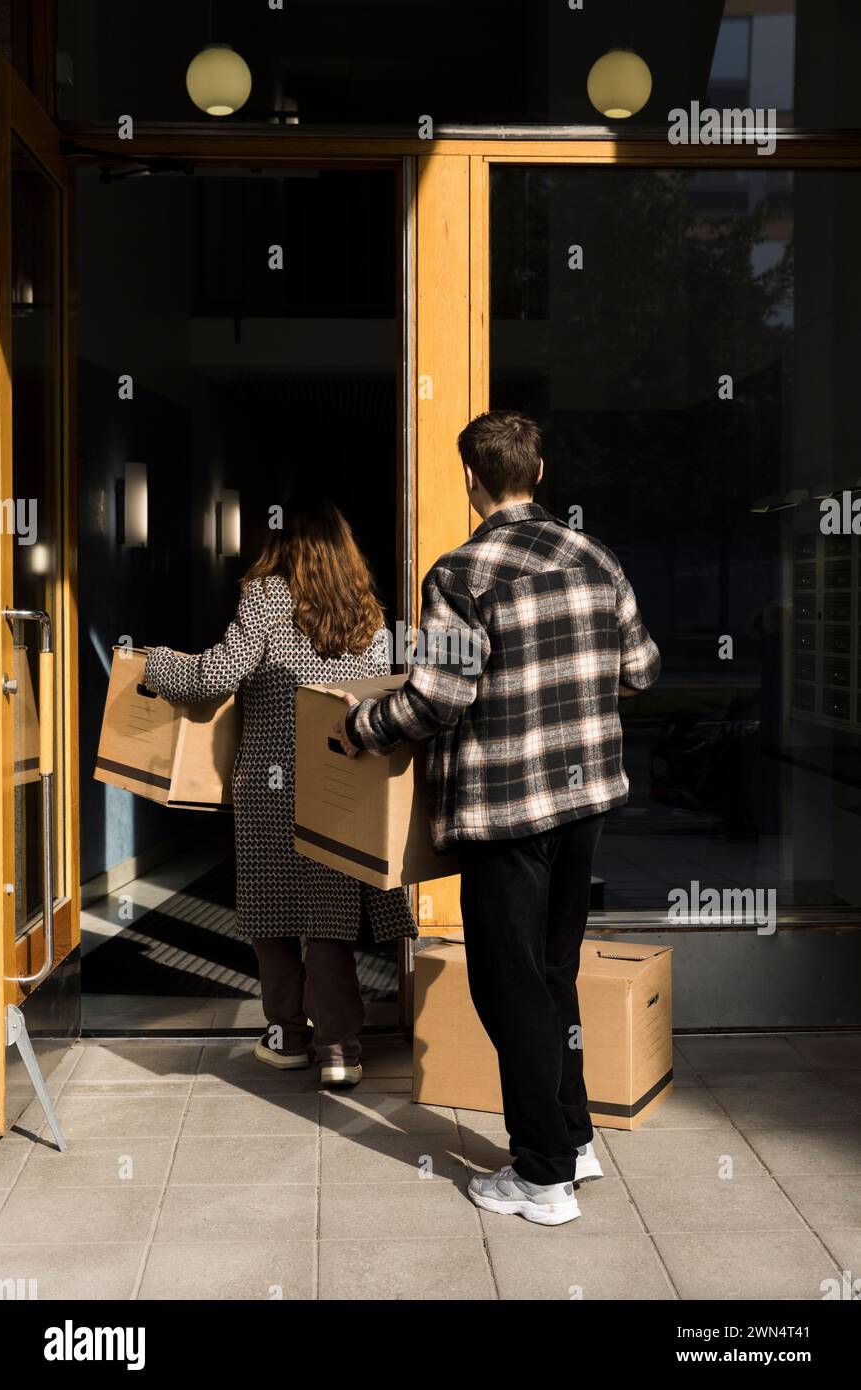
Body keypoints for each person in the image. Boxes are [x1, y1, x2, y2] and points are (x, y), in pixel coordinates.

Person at [335, 411, 660, 1224]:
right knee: (552, 975)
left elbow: (437, 699)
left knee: (509, 986)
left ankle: (543, 1175)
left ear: (470, 479)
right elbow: (642, 671)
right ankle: (574, 1139)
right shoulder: (596, 557)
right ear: (540, 473)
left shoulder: (460, 574)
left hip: (504, 810)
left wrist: (358, 727)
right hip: (582, 804)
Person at [144, 495, 417, 1089]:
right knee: (326, 919)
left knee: (272, 916)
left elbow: (214, 675)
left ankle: (288, 1037)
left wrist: (155, 665)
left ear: (281, 545)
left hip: (272, 785)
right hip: (341, 779)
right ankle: (340, 1048)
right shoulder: (367, 611)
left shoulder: (265, 600)